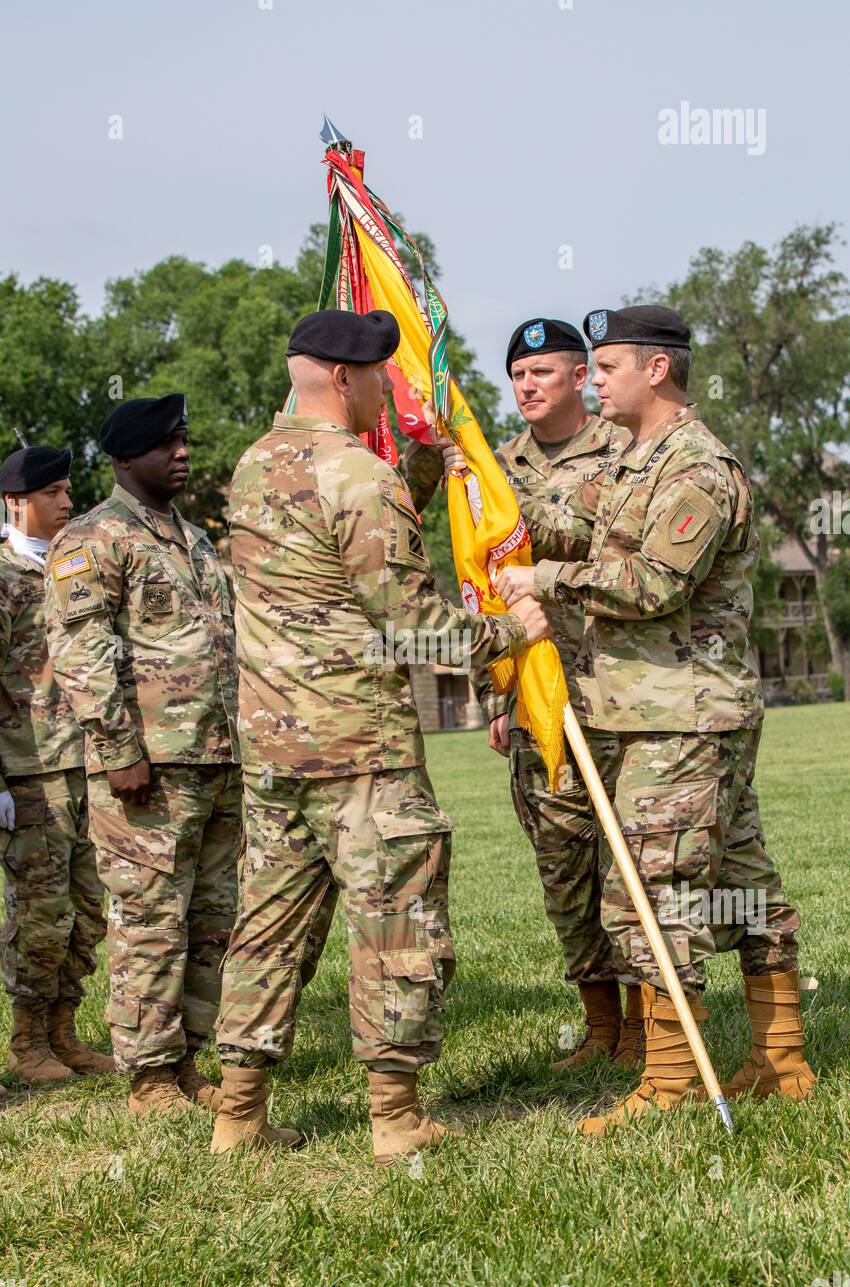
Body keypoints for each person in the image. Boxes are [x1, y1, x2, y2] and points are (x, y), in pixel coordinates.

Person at [212, 307, 549, 1164]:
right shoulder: (358, 474)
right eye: (375, 378)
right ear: (339, 378)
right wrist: (513, 631)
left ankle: (237, 1117)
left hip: (275, 746)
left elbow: (319, 565)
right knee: (397, 925)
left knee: (267, 928)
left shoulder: (252, 469)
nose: (383, 392)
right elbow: (411, 625)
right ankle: (396, 1120)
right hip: (360, 749)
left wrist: (422, 484)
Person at [496, 304, 816, 1134]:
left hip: (681, 716)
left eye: (604, 370)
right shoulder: (643, 460)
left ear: (657, 371)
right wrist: (500, 509)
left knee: (649, 891)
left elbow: (651, 584)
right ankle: (782, 1060)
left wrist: (546, 584)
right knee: (743, 887)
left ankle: (668, 1082)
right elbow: (589, 532)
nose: (591, 383)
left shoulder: (699, 467)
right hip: (657, 710)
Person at [403, 318, 642, 1070]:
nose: (527, 386)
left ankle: (647, 1026)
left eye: (544, 372)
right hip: (535, 691)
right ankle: (600, 1023)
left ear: (580, 378)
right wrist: (495, 693)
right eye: (518, 375)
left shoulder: (628, 450)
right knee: (563, 868)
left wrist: (504, 501)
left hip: (620, 686)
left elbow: (612, 546)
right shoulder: (488, 463)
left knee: (629, 864)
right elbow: (477, 588)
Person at [44, 396, 242, 1116]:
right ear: (124, 460)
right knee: (151, 922)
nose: (182, 453)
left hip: (216, 760)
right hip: (146, 769)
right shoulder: (92, 538)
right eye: (165, 444)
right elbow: (80, 648)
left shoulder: (193, 538)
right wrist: (118, 745)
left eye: (184, 441)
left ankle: (189, 1062)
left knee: (212, 922)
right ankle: (150, 1078)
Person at [0, 445, 111, 1083]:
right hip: (27, 774)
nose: (68, 502)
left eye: (68, 490)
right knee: (40, 914)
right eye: (54, 492)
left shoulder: (73, 569)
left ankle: (63, 1032)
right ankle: (26, 1042)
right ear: (15, 501)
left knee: (88, 909)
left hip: (86, 765)